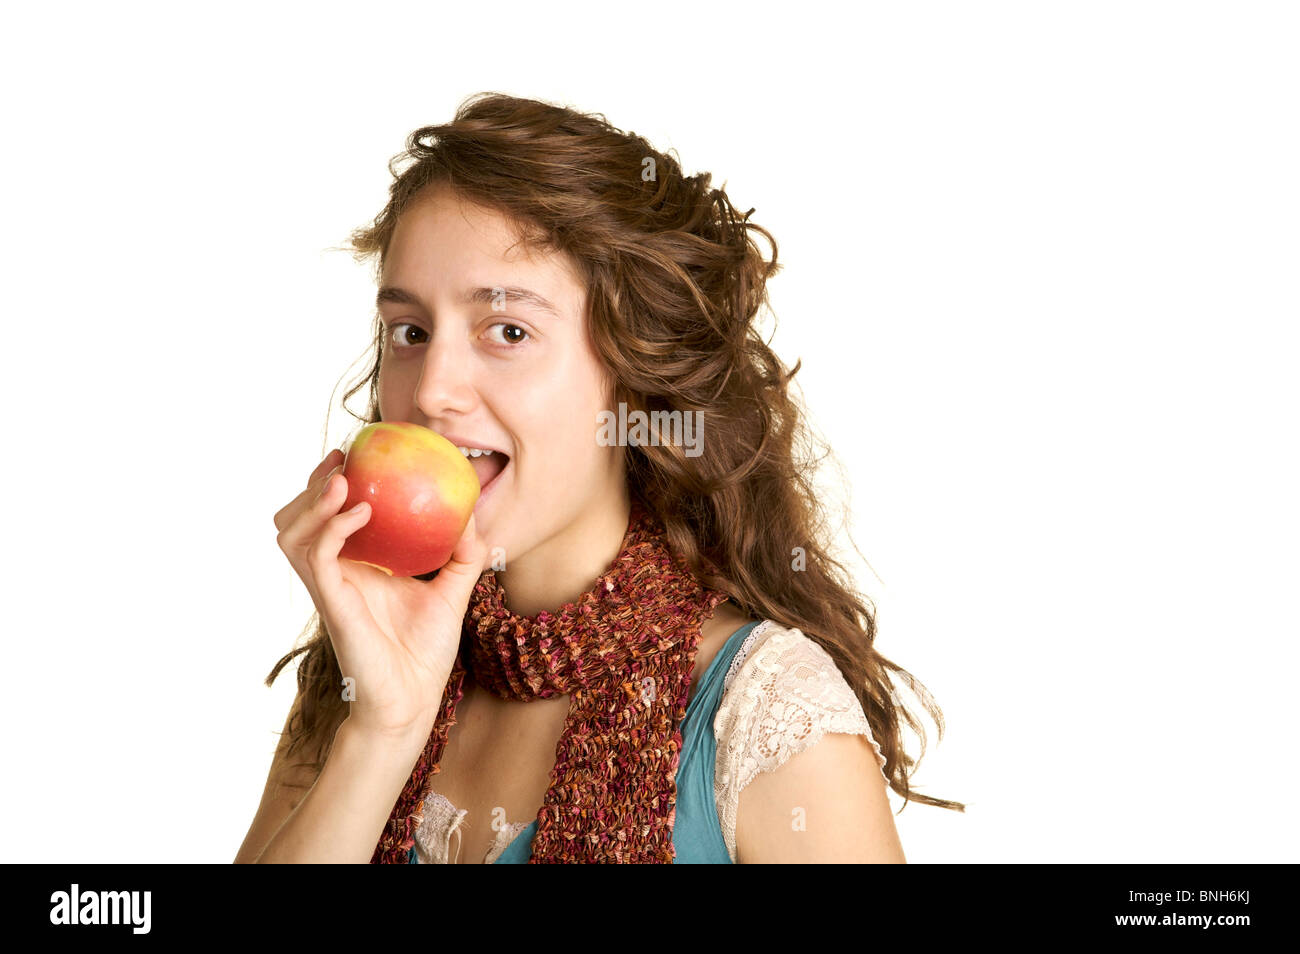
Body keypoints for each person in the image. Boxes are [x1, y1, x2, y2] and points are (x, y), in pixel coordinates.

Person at [235, 92, 964, 865]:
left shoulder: (771, 721)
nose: (431, 390)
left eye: (508, 331)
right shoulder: (356, 671)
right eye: (411, 332)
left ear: (629, 377)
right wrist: (380, 731)